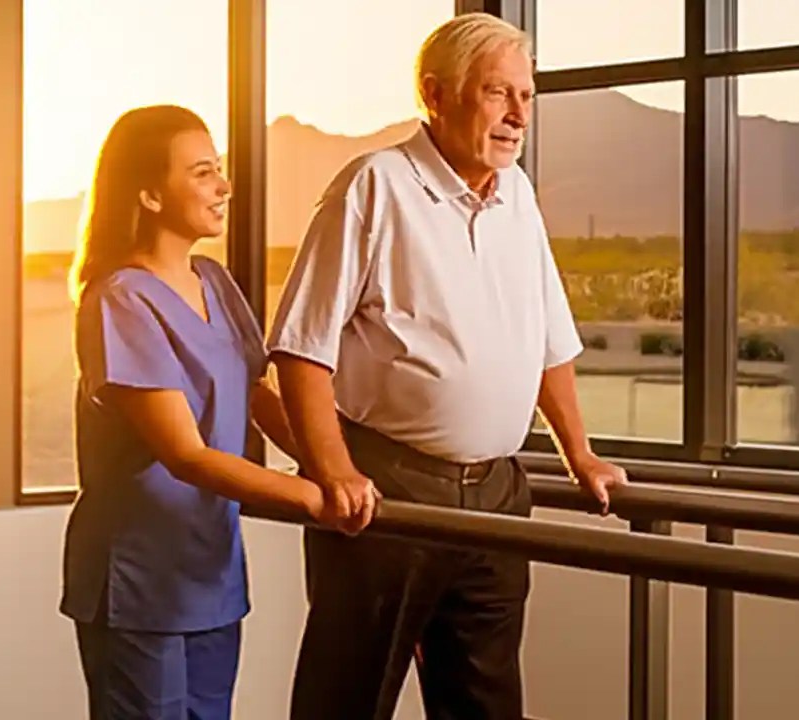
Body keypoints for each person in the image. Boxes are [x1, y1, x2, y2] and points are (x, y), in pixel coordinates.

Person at [266, 13, 628, 720]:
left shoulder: (516, 195)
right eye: (498, 92)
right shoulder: (373, 188)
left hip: (497, 495)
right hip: (390, 487)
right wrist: (334, 470)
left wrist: (580, 455)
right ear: (436, 94)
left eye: (526, 95)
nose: (518, 114)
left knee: (486, 704)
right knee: (349, 697)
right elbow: (300, 350)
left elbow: (550, 342)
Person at [58, 104, 375, 720]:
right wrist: (315, 500)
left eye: (219, 169)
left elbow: (258, 394)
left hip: (209, 576)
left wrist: (336, 470)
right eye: (202, 172)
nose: (224, 186)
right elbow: (185, 453)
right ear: (149, 194)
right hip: (136, 580)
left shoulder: (215, 281)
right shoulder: (118, 300)